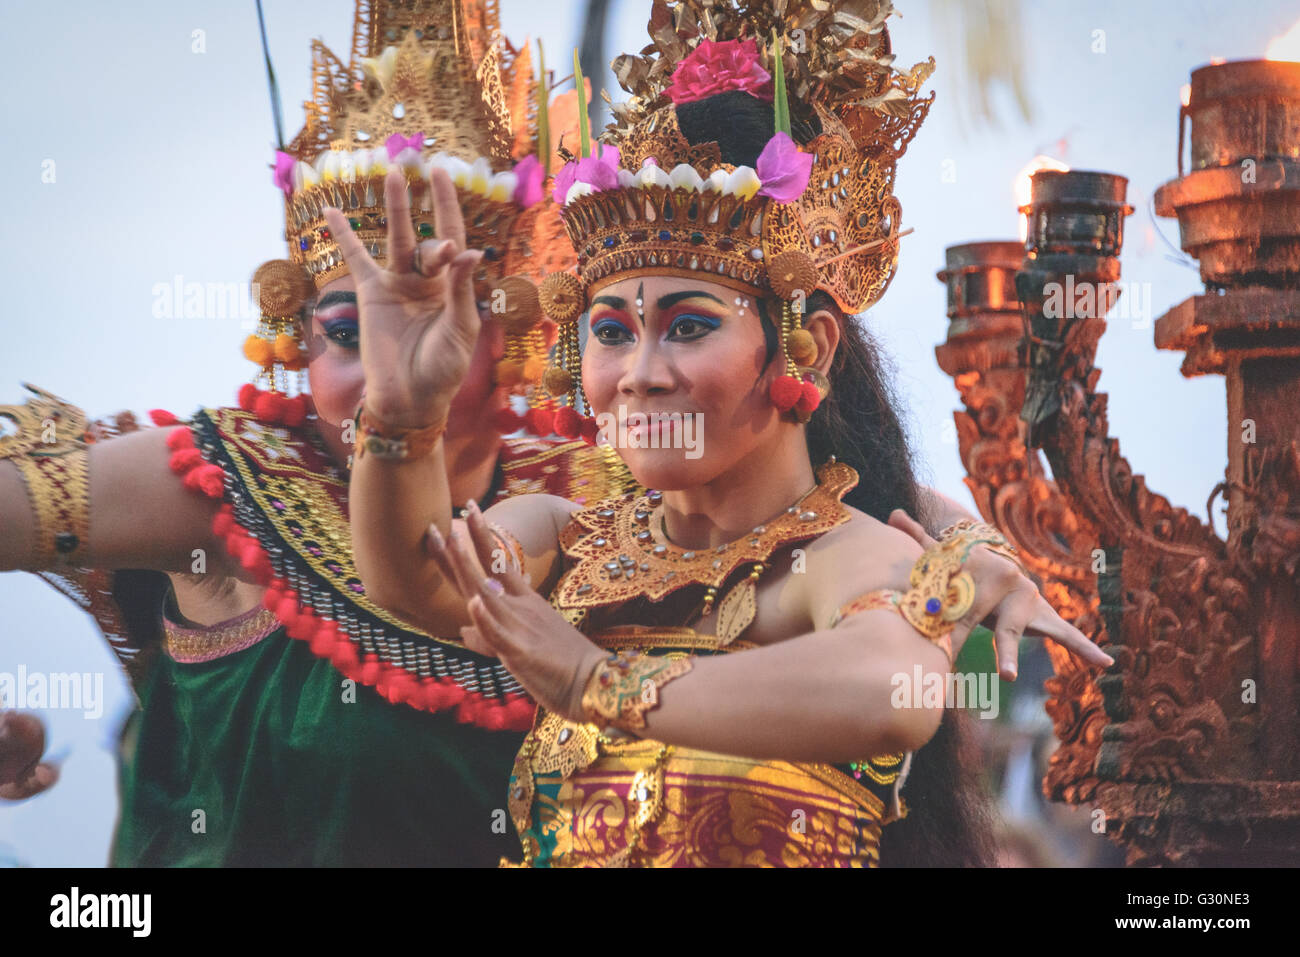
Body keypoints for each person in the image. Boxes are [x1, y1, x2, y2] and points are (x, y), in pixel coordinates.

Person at [340, 2, 1114, 866]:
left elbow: (890, 689)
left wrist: (599, 682)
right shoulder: (574, 539)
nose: (640, 372)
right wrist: (402, 416)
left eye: (688, 325)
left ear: (807, 348)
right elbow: (415, 576)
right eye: (609, 330)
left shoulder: (843, 554)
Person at [0, 0, 631, 866]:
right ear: (295, 337)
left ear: (514, 334)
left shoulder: (592, 494)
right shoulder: (233, 480)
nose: (386, 369)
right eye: (346, 332)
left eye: (429, 321)